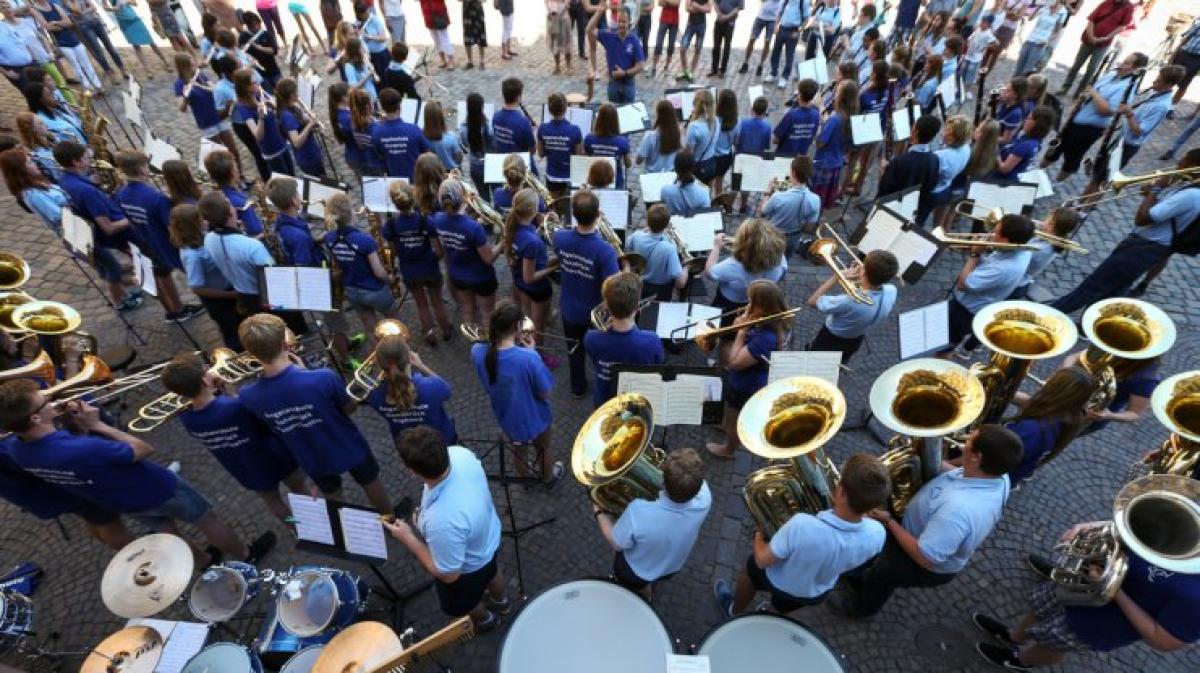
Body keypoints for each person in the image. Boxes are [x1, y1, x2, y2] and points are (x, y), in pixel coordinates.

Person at [0, 379, 275, 566]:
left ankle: (203, 561)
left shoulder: (15, 448)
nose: (51, 401)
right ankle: (245, 555)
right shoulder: (79, 449)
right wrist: (99, 425)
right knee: (206, 518)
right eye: (44, 402)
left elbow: (72, 456)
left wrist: (77, 426)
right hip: (153, 486)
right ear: (35, 418)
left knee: (166, 531)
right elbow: (143, 448)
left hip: (116, 500)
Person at [833, 425, 1023, 618]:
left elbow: (925, 556)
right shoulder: (999, 476)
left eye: (969, 441)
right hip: (921, 530)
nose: (963, 443)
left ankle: (860, 609)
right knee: (877, 563)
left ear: (977, 457)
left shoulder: (957, 511)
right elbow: (956, 476)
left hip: (920, 559)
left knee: (882, 575)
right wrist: (923, 457)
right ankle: (859, 575)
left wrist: (889, 520)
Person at [973, 514, 1200, 670]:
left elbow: (1163, 641)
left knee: (1052, 643)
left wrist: (1113, 587)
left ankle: (1020, 661)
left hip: (1100, 623)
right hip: (1085, 577)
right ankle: (1014, 637)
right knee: (1040, 608)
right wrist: (1099, 526)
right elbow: (1142, 528)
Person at [237, 313, 391, 512]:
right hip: (346, 443)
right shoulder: (322, 377)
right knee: (370, 481)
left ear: (251, 352)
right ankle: (390, 520)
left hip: (309, 455)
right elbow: (349, 408)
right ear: (285, 345)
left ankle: (345, 528)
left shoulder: (247, 395)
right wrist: (304, 374)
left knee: (332, 494)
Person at [713, 453, 890, 616]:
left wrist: (758, 536)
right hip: (816, 592)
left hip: (777, 579)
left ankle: (734, 611)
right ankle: (767, 616)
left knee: (750, 570)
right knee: (782, 606)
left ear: (842, 492)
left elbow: (762, 559)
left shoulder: (802, 525)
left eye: (838, 480)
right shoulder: (879, 533)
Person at [384, 426, 510, 630]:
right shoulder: (460, 454)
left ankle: (485, 620)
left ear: (413, 472)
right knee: (493, 572)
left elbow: (449, 574)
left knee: (464, 603)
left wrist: (409, 537)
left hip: (470, 568)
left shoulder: (441, 521)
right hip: (488, 539)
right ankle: (502, 602)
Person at [161, 352, 306, 523]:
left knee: (273, 501)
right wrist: (230, 393)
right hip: (276, 456)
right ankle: (317, 520)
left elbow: (213, 417)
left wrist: (221, 395)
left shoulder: (186, 417)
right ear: (205, 381)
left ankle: (295, 527)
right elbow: (263, 421)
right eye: (206, 369)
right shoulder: (236, 406)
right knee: (299, 488)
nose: (210, 370)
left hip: (246, 468)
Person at [1050, 150, 1200, 314]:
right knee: (1114, 291)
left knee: (1095, 285)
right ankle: (1089, 325)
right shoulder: (1189, 187)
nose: (1179, 161)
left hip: (1144, 248)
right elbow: (1162, 210)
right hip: (1149, 247)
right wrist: (1150, 194)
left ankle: (1052, 313)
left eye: (1184, 159)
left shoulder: (1190, 195)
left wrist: (1156, 189)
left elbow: (1143, 218)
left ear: (1193, 166)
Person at [594, 447, 710, 598]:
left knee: (640, 586)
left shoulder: (639, 511)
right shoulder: (706, 497)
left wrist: (599, 512)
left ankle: (645, 599)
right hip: (673, 565)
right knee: (653, 579)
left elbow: (616, 543)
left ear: (663, 481)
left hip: (636, 570)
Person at [470, 301, 563, 484]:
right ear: (517, 327)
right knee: (543, 449)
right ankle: (548, 478)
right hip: (536, 417)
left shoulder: (477, 351)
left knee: (519, 451)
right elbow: (544, 393)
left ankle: (525, 479)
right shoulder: (529, 358)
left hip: (507, 418)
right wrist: (533, 351)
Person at [54, 140, 145, 312]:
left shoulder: (65, 179)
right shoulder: (87, 191)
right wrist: (131, 218)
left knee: (111, 267)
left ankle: (127, 291)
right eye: (85, 158)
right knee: (120, 266)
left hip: (94, 232)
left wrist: (90, 181)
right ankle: (122, 300)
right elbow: (108, 228)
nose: (90, 160)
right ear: (76, 162)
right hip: (117, 232)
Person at [113, 150, 201, 322]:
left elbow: (130, 220)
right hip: (166, 245)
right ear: (141, 170)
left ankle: (176, 309)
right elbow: (172, 227)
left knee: (162, 273)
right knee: (191, 273)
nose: (148, 169)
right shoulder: (156, 198)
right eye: (146, 166)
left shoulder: (121, 194)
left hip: (146, 242)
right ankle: (186, 305)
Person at [706, 279, 790, 459]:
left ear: (765, 307)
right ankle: (725, 422)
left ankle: (728, 449)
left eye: (752, 302)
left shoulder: (766, 338)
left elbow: (734, 362)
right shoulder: (769, 321)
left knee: (736, 420)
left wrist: (741, 331)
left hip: (746, 384)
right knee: (730, 410)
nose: (747, 305)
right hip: (741, 378)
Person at [0, 438, 133, 550]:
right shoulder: (6, 447)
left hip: (51, 492)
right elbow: (26, 459)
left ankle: (118, 548)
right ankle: (136, 556)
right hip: (60, 488)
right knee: (108, 522)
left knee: (95, 519)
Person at [554, 190, 620, 399]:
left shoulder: (559, 238)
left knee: (574, 349)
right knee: (600, 350)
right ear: (598, 215)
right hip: (595, 312)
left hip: (570, 308)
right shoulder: (605, 250)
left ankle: (577, 386)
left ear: (573, 214)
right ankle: (603, 385)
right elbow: (613, 287)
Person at [941, 214, 1035, 356]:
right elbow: (990, 263)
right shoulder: (1022, 248)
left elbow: (962, 284)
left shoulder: (1004, 268)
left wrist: (974, 254)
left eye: (996, 232)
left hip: (964, 312)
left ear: (1006, 240)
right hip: (967, 308)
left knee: (942, 350)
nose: (991, 234)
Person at [322, 193, 399, 345]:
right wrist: (389, 279)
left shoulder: (329, 238)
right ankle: (401, 351)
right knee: (394, 323)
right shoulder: (365, 240)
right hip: (374, 290)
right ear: (351, 214)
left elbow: (337, 263)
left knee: (370, 329)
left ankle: (382, 356)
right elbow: (378, 272)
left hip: (352, 291)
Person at [384, 180, 454, 344]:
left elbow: (392, 252)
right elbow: (439, 250)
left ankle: (429, 334)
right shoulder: (425, 220)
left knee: (421, 305)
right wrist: (432, 259)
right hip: (429, 267)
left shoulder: (391, 225)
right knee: (437, 302)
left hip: (409, 270)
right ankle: (446, 330)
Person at [583, 271, 665, 406]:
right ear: (637, 306)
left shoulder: (591, 338)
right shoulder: (652, 341)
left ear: (606, 305)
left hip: (604, 403)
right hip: (637, 402)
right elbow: (657, 365)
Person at [1002, 367, 1093, 486]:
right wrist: (1007, 393)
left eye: (1053, 378)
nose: (1048, 378)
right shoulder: (1068, 416)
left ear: (1056, 389)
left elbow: (995, 450)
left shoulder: (1032, 430)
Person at [169, 203, 242, 350]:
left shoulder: (203, 235)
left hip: (229, 289)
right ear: (192, 224)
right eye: (200, 219)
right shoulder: (192, 255)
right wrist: (230, 295)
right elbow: (197, 288)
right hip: (220, 300)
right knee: (233, 334)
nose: (205, 221)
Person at [806, 250, 899, 363]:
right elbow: (871, 286)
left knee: (816, 362)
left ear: (864, 272)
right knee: (840, 362)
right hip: (856, 339)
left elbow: (812, 301)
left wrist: (837, 276)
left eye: (862, 265)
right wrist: (863, 277)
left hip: (831, 338)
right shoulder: (891, 290)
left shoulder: (849, 301)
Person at [432, 177, 500, 327]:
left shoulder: (436, 219)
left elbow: (455, 228)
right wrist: (504, 242)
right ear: (462, 197)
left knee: (468, 310)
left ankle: (473, 342)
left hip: (458, 275)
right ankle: (488, 348)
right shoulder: (474, 228)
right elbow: (488, 259)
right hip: (481, 277)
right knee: (487, 314)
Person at [365, 335, 457, 443]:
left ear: (380, 365)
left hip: (409, 449)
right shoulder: (431, 386)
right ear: (409, 358)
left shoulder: (373, 395)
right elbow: (447, 391)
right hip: (443, 441)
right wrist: (421, 365)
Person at [502, 189, 556, 366]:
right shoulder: (533, 241)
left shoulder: (513, 227)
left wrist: (542, 225)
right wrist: (553, 267)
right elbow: (530, 277)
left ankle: (525, 348)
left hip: (520, 286)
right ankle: (537, 357)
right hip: (537, 289)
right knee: (537, 327)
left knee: (526, 319)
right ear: (533, 210)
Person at [1057, 0, 1134, 97]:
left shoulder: (1128, 7)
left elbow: (1122, 26)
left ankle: (1080, 92)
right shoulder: (1107, 3)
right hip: (1089, 39)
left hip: (1103, 43)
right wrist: (1091, 36)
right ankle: (1065, 87)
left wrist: (1107, 37)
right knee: (1077, 64)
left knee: (1092, 68)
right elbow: (1091, 19)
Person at [174, 53, 240, 166]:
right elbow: (182, 108)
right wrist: (185, 97)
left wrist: (200, 86)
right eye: (191, 63)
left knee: (233, 149)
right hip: (206, 121)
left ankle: (241, 177)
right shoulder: (179, 84)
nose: (194, 64)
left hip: (219, 116)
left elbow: (215, 89)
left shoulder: (200, 75)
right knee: (220, 154)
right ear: (184, 66)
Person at [876, 114, 940, 227]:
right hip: (913, 211)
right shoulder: (934, 159)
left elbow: (884, 190)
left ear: (915, 132)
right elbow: (931, 187)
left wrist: (883, 172)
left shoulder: (900, 161)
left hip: (892, 211)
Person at [233, 68, 294, 176]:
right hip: (271, 151)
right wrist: (261, 118)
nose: (257, 84)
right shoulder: (242, 107)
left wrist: (273, 104)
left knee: (292, 174)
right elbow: (258, 136)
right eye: (253, 83)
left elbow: (279, 112)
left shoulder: (260, 94)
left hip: (281, 142)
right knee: (285, 178)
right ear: (245, 87)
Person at [34, 0, 101, 93]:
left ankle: (98, 86)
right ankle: (88, 88)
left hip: (73, 39)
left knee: (86, 63)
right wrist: (61, 24)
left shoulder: (54, 6)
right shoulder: (36, 10)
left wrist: (55, 22)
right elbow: (48, 27)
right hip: (62, 43)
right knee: (76, 66)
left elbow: (69, 22)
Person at [761, 155, 820, 256]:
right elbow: (808, 228)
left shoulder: (778, 197)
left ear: (793, 172)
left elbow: (763, 212)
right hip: (794, 238)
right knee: (786, 261)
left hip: (774, 237)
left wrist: (767, 192)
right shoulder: (815, 199)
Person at [812, 79, 857, 209]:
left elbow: (821, 143)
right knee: (825, 198)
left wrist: (821, 124)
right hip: (837, 162)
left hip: (823, 164)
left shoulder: (835, 119)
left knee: (817, 198)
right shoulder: (852, 117)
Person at [372, 88, 430, 180]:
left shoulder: (376, 132)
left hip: (395, 179)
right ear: (400, 106)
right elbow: (428, 153)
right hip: (417, 178)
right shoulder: (414, 130)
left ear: (382, 108)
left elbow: (379, 155)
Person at [537, 92, 584, 203]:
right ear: (566, 108)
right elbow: (578, 157)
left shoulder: (543, 128)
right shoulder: (575, 129)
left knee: (555, 208)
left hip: (552, 177)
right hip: (569, 177)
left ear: (549, 109)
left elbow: (541, 153)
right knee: (568, 209)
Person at [204, 149, 263, 237]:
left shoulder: (216, 195)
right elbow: (256, 230)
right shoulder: (241, 203)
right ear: (232, 173)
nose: (238, 170)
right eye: (236, 167)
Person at [275, 78, 326, 178]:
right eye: (296, 92)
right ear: (291, 95)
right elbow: (296, 142)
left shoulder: (293, 106)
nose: (298, 94)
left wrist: (309, 118)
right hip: (307, 157)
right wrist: (310, 124)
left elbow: (302, 122)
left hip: (312, 152)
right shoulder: (287, 116)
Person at [993, 107, 1052, 181]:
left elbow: (1004, 169)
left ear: (1037, 124)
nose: (1025, 121)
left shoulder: (1025, 146)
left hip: (1004, 180)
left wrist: (995, 151)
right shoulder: (1036, 140)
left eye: (1029, 119)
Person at [492, 78, 536, 173]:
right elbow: (532, 150)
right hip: (518, 165)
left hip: (503, 161)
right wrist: (530, 131)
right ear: (518, 97)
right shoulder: (523, 122)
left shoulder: (495, 116)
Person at [584, 103, 633, 189]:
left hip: (594, 180)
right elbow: (628, 164)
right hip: (615, 182)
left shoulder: (589, 138)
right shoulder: (622, 141)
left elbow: (584, 158)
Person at [1014, 0, 1068, 75]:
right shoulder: (1044, 7)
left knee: (1027, 70)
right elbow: (1030, 19)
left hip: (1041, 43)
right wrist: (1037, 7)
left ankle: (1020, 85)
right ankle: (1012, 85)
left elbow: (1057, 31)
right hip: (1030, 38)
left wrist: (1047, 41)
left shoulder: (1063, 12)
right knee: (1019, 66)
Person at [774, 78, 819, 155]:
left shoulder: (791, 115)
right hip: (801, 155)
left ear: (799, 95)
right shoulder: (816, 114)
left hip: (784, 155)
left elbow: (776, 140)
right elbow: (813, 136)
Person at [659, 148, 710, 217]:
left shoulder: (665, 191)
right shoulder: (704, 192)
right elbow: (705, 214)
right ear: (693, 168)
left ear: (676, 169)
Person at [766, 0, 804, 90]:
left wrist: (799, 31)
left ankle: (784, 77)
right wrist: (776, 26)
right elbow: (779, 14)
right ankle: (773, 73)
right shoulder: (785, 1)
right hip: (782, 29)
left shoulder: (803, 2)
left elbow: (807, 18)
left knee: (789, 55)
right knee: (775, 52)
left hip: (793, 30)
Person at [459, 92, 494, 190]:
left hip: (475, 166)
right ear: (482, 107)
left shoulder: (463, 128)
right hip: (491, 163)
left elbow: (464, 144)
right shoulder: (489, 126)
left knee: (483, 196)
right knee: (496, 191)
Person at [637, 99, 682, 174]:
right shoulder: (677, 132)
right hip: (671, 173)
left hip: (652, 176)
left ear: (658, 115)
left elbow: (639, 160)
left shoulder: (650, 136)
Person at [735, 0, 778, 77]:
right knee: (752, 39)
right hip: (760, 17)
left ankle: (760, 65)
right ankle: (745, 62)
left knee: (767, 42)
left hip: (772, 20)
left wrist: (777, 24)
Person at [708, 0, 742, 78]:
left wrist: (726, 17)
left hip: (730, 23)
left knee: (726, 47)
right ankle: (714, 69)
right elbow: (715, 2)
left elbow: (738, 8)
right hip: (719, 20)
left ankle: (723, 70)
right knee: (716, 46)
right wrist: (719, 14)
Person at [418, 0, 456, 69]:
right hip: (428, 15)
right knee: (436, 41)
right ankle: (443, 61)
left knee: (445, 39)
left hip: (439, 14)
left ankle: (451, 62)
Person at [356, 3, 391, 75]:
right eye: (361, 15)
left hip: (380, 54)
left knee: (385, 77)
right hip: (369, 55)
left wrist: (368, 36)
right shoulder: (358, 22)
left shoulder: (375, 20)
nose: (363, 16)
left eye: (364, 14)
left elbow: (383, 38)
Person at [648, 0, 680, 78]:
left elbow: (677, 4)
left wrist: (667, 2)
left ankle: (666, 67)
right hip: (664, 20)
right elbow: (660, 3)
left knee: (671, 45)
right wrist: (671, 2)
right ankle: (654, 68)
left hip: (674, 21)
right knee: (658, 44)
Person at [546, 0, 574, 74]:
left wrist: (560, 10)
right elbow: (545, 1)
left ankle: (568, 66)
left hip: (564, 16)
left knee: (567, 42)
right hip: (552, 16)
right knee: (555, 41)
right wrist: (548, 11)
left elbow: (567, 2)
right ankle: (557, 66)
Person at [460, 0, 487, 69]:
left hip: (478, 11)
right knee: (467, 36)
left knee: (481, 35)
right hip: (467, 12)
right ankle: (470, 61)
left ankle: (482, 61)